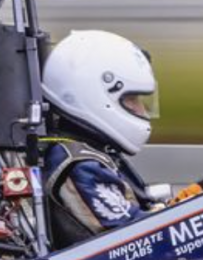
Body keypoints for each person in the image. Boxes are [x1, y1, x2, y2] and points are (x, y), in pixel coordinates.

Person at [39, 29, 161, 246]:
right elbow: (135, 238)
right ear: (93, 95)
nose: (141, 110)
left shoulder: (97, 150)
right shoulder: (80, 166)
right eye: (132, 99)